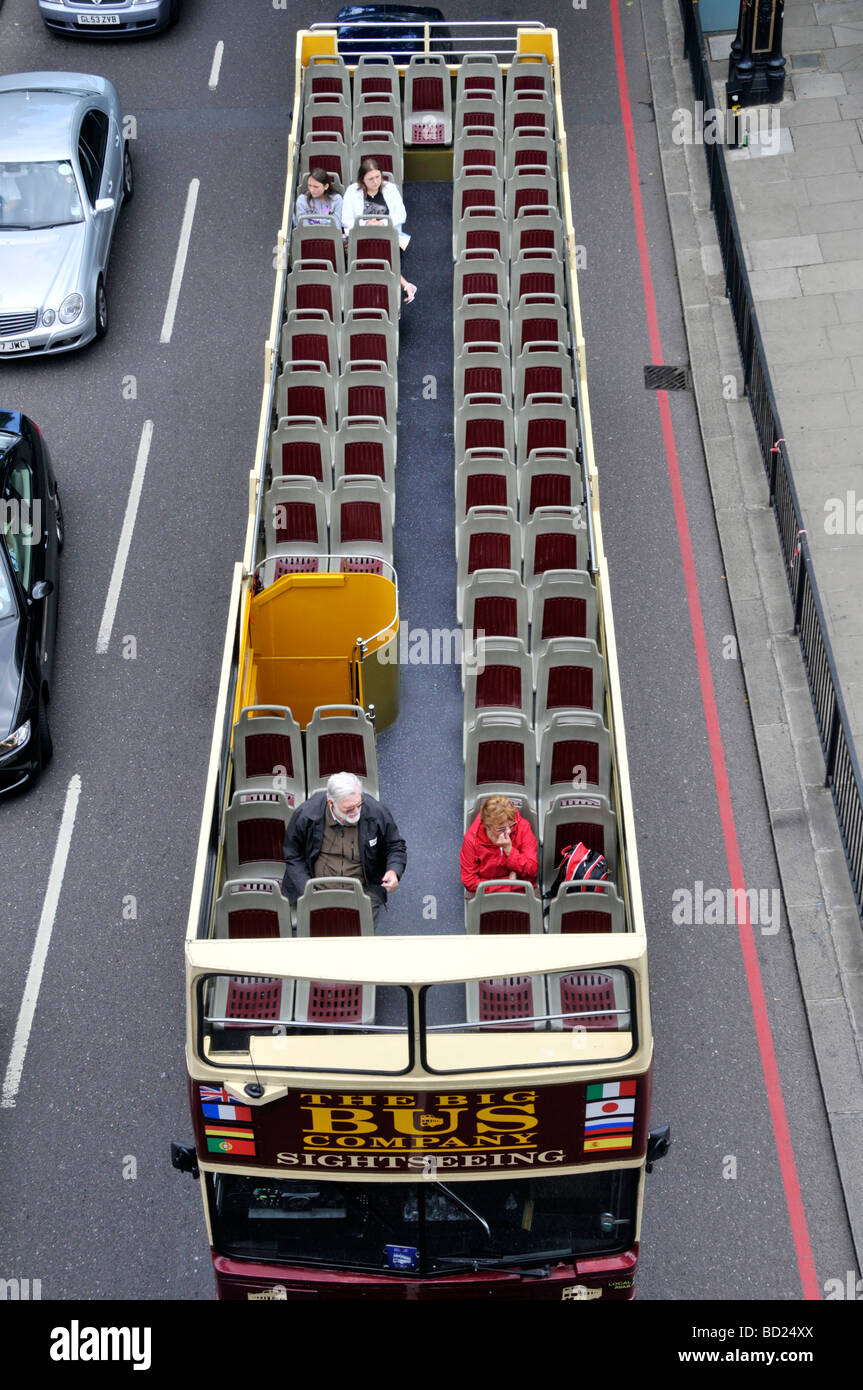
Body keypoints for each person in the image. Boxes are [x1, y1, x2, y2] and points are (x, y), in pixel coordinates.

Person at [282, 771, 406, 924]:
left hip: (364, 890)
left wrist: (394, 871)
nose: (356, 811)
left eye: (358, 804)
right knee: (319, 936)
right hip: (316, 889)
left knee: (359, 935)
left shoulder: (375, 811)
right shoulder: (307, 814)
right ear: (331, 803)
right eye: (348, 809)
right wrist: (306, 889)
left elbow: (395, 845)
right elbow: (293, 854)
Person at [341, 158, 417, 304]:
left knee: (378, 252)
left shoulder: (390, 189)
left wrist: (382, 222)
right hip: (362, 237)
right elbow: (346, 220)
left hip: (387, 236)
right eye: (370, 179)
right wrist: (366, 224)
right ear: (362, 180)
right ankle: (404, 287)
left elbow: (402, 215)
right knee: (376, 255)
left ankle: (389, 298)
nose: (375, 182)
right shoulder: (352, 191)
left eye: (378, 177)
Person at [460, 795, 538, 895]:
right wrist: (509, 884)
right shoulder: (472, 840)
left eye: (511, 825)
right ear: (487, 826)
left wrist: (509, 850)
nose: (508, 831)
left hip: (516, 889)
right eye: (501, 829)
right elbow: (469, 882)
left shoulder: (522, 826)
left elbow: (532, 870)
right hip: (488, 893)